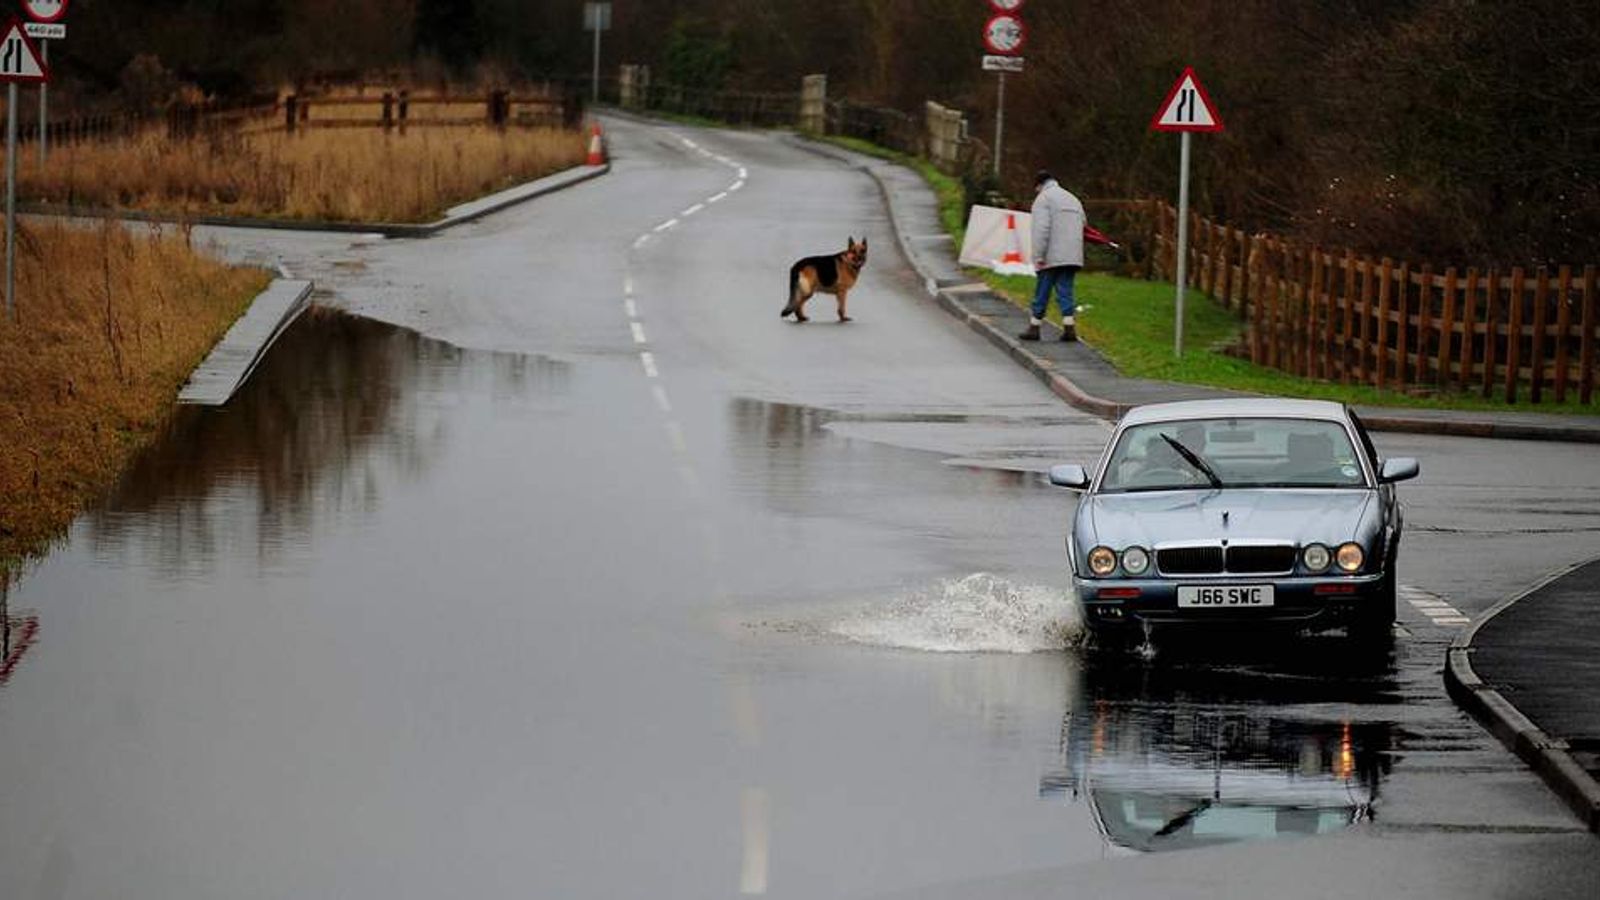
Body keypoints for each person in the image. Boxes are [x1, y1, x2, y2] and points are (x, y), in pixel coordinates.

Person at [1019, 170, 1115, 342]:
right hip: (1072, 255)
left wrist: (1039, 255)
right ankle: (1069, 327)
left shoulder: (1043, 199)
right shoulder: (1073, 199)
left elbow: (1041, 230)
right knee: (1065, 291)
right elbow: (1083, 225)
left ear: (1039, 185)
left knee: (1042, 291)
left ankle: (1034, 327)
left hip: (1051, 255)